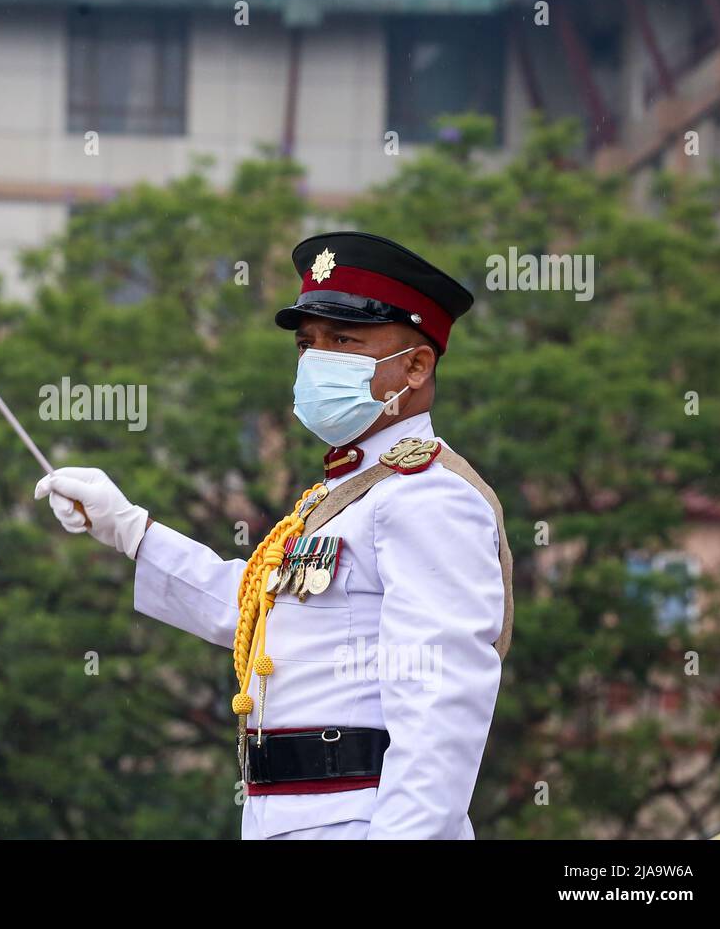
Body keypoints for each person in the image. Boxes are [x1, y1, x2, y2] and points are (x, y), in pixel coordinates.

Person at [35, 231, 513, 839]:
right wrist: (132, 531)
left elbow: (441, 702)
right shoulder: (347, 494)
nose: (317, 359)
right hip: (283, 816)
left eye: (343, 340)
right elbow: (254, 609)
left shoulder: (427, 494)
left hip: (361, 819)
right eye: (307, 343)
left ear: (416, 366)